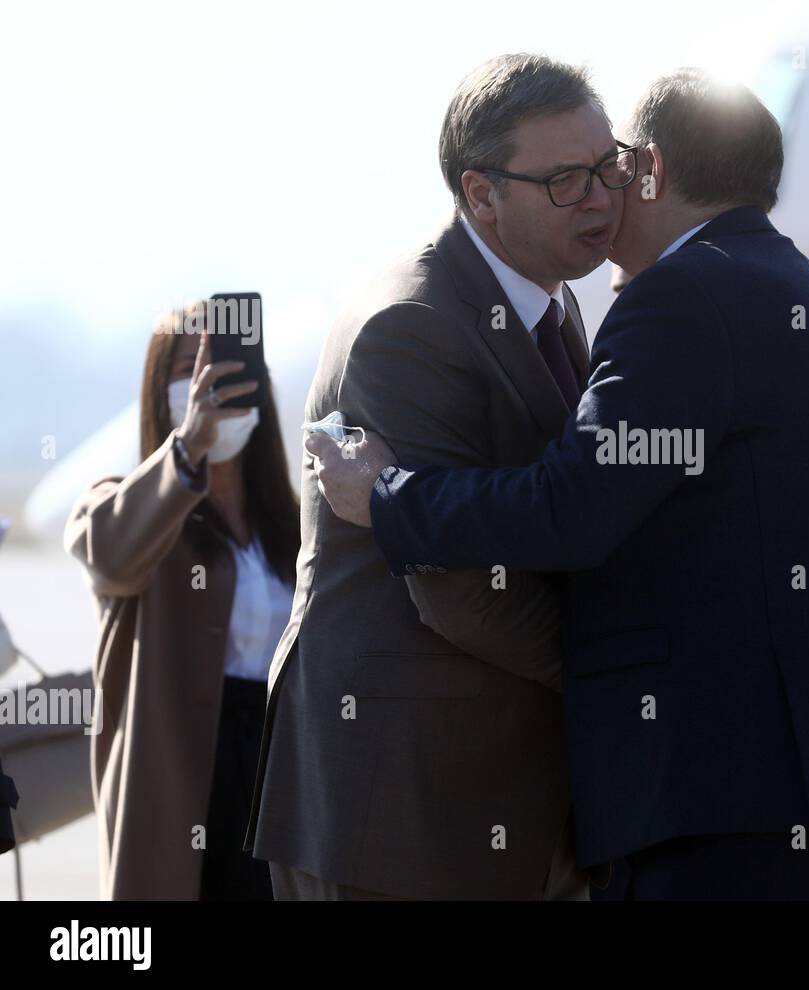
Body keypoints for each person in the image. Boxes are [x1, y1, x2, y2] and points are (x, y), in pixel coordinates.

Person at [310, 69, 809, 901]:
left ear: (649, 167)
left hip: (719, 808)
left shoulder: (681, 299)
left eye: (612, 165)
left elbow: (572, 507)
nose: (602, 191)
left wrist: (390, 497)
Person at [244, 54, 630, 900]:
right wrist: (627, 669)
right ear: (481, 194)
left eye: (611, 165)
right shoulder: (414, 325)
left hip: (486, 798)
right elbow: (461, 588)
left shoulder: (547, 298)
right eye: (567, 180)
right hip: (401, 810)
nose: (603, 196)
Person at [64, 305, 299, 899]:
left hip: (285, 778)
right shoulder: (131, 507)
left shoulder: (294, 529)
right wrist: (187, 448)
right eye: (183, 366)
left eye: (215, 362)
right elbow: (108, 554)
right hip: (188, 786)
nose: (201, 379)